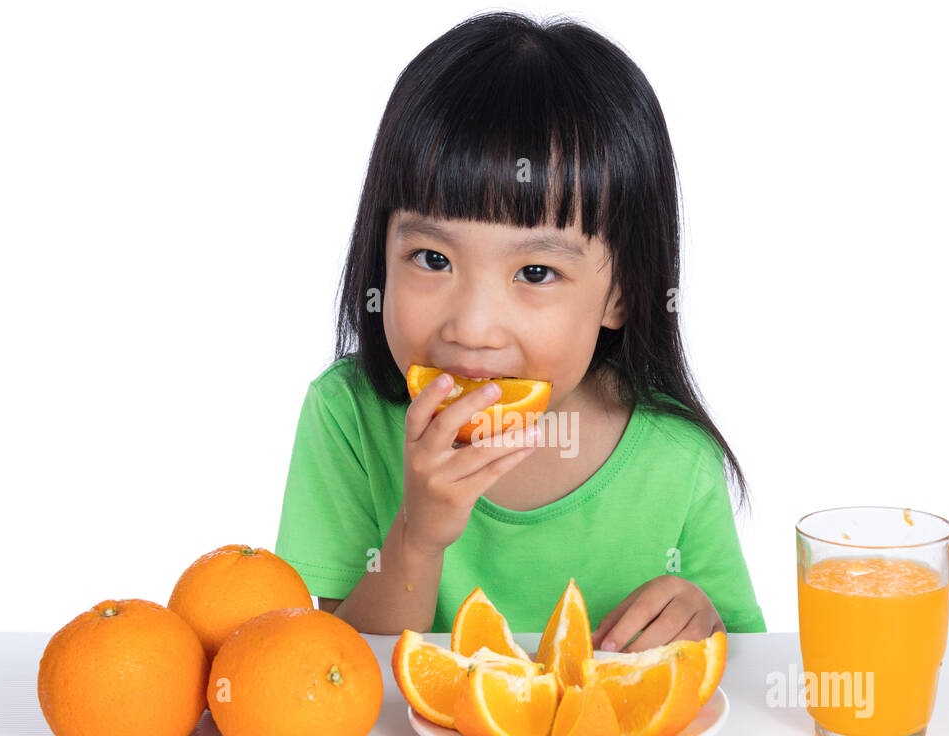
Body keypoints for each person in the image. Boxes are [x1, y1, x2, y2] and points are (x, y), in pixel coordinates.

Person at [275, 11, 765, 655]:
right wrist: (417, 540)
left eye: (535, 271)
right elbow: (332, 670)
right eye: (432, 260)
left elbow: (744, 663)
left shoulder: (678, 457)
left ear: (621, 293)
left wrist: (701, 621)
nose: (473, 329)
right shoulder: (348, 417)